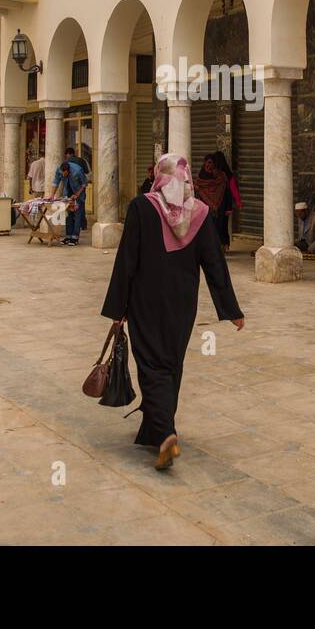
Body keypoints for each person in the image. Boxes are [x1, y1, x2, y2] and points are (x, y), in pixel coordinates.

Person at [102, 154, 244, 471]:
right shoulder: (201, 212)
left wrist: (117, 307)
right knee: (171, 363)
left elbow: (127, 259)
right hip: (182, 303)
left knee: (152, 364)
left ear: (159, 176)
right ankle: (155, 430)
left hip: (145, 299)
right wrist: (231, 309)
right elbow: (214, 263)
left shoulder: (142, 207)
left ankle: (165, 432)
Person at [194, 152, 236, 251]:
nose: (209, 165)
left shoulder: (221, 177)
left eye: (211, 163)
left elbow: (227, 192)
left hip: (220, 207)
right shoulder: (201, 176)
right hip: (204, 207)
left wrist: (228, 207)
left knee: (219, 227)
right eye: (207, 163)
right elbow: (198, 190)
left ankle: (220, 247)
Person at [52, 158, 88, 246]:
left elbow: (84, 184)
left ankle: (75, 238)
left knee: (77, 215)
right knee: (68, 216)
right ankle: (68, 237)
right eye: (62, 173)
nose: (63, 175)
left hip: (78, 194)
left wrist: (77, 195)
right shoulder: (59, 170)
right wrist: (52, 195)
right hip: (67, 194)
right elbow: (56, 182)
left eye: (65, 174)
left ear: (68, 170)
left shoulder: (77, 170)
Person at [63, 147, 89, 230]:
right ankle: (83, 224)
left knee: (70, 207)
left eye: (66, 155)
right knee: (81, 206)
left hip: (70, 188)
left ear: (68, 154)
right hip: (80, 187)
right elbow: (87, 172)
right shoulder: (81, 160)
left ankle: (73, 226)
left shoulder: (66, 162)